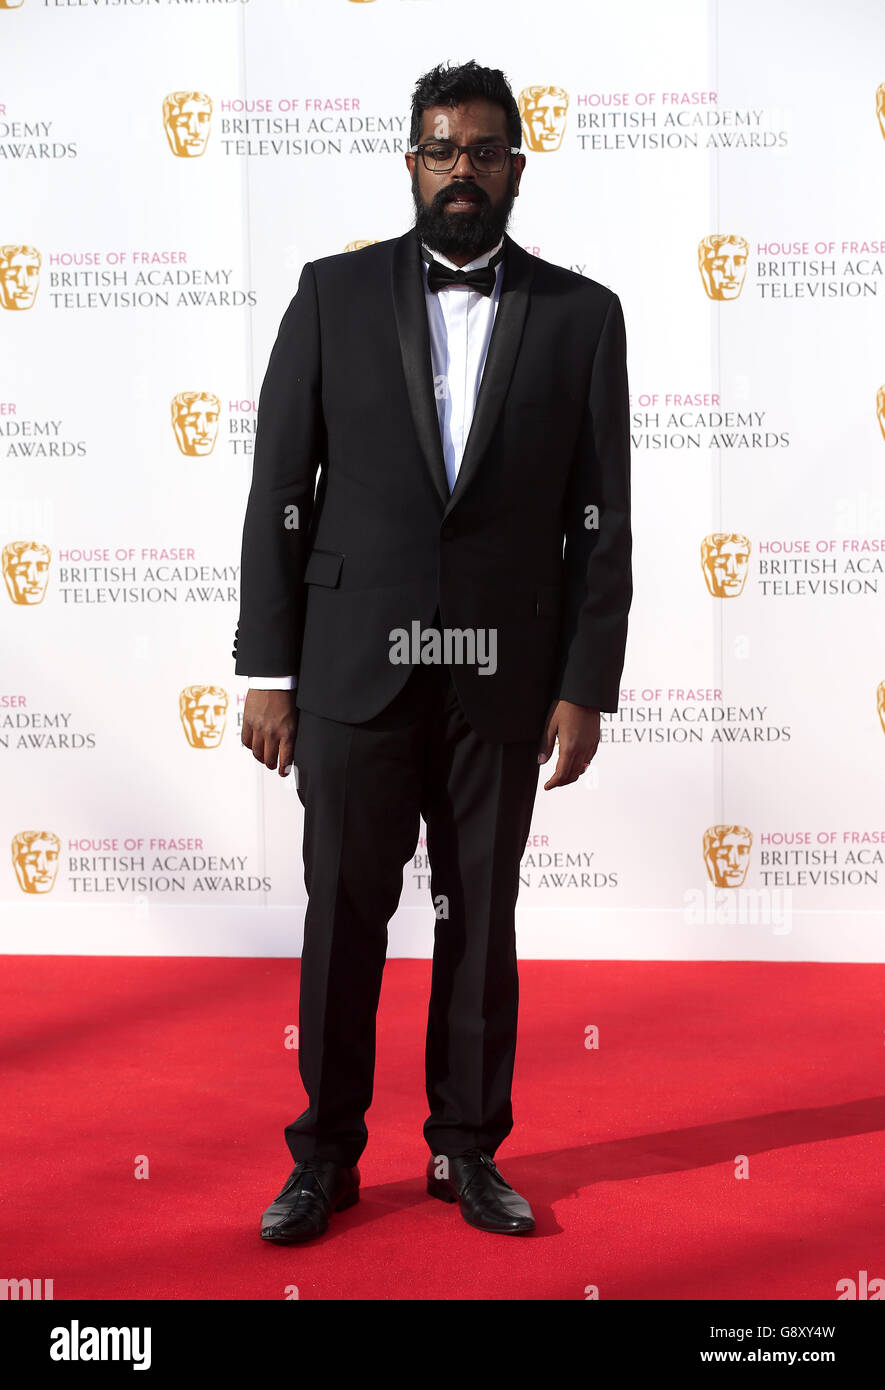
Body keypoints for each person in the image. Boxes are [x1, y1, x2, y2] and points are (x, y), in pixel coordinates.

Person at [234, 59, 632, 1242]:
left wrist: (584, 683)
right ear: (411, 163)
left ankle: (466, 1151)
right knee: (341, 919)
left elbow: (599, 517)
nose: (465, 169)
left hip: (502, 679)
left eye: (485, 150)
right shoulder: (331, 295)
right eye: (443, 148)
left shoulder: (583, 316)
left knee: (477, 920)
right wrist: (271, 666)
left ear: (517, 165)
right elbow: (277, 488)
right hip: (356, 666)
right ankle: (324, 1157)